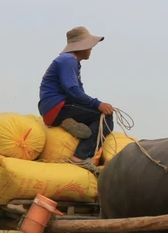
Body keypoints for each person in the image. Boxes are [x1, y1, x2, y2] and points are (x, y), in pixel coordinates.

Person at [39, 27, 115, 172]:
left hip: (51, 109)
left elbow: (78, 93)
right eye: (90, 46)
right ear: (82, 46)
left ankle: (72, 124)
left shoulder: (69, 61)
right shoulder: (68, 60)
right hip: (58, 107)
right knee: (105, 118)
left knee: (92, 114)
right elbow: (73, 91)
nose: (91, 49)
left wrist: (93, 105)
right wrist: (98, 104)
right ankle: (80, 158)